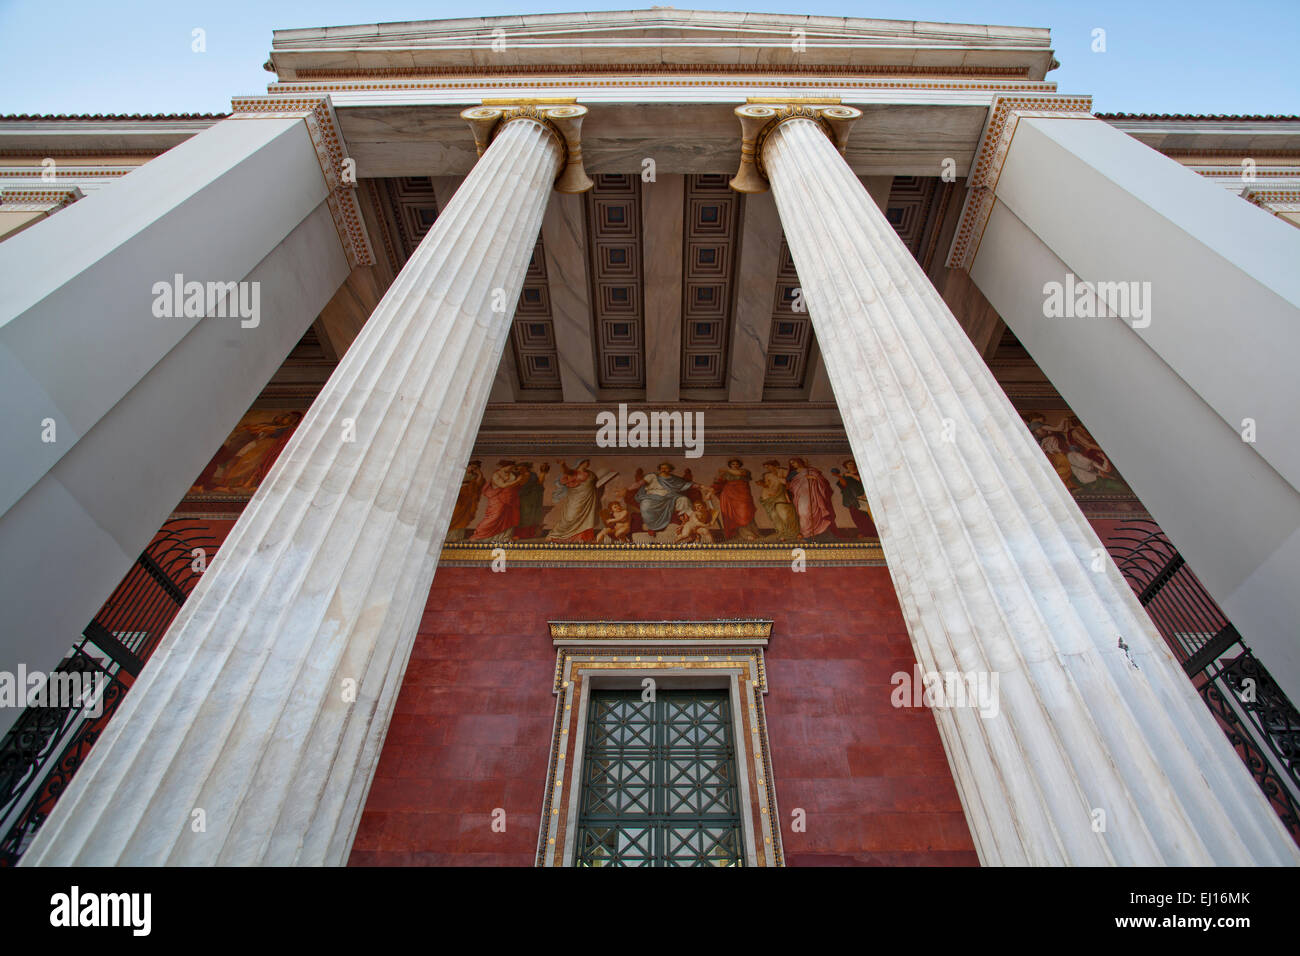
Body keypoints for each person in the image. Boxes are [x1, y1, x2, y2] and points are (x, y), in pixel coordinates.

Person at [470, 460, 528, 541]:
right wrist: (517, 481)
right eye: (510, 467)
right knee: (494, 516)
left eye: (513, 467)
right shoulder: (496, 475)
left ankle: (504, 537)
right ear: (504, 466)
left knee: (508, 517)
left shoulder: (511, 474)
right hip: (497, 498)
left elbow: (518, 485)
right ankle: (480, 534)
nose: (512, 468)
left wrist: (521, 479)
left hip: (510, 499)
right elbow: (502, 485)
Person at [548, 459, 603, 542]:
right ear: (580, 464)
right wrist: (563, 464)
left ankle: (582, 537)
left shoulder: (590, 474)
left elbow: (594, 483)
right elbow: (566, 471)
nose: (587, 465)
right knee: (571, 516)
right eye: (585, 463)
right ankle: (556, 534)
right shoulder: (574, 472)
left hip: (587, 498)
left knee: (586, 517)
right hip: (576, 497)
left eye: (588, 464)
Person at [632, 463, 696, 532]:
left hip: (670, 497)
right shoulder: (652, 476)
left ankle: (686, 523)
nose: (663, 470)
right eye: (662, 468)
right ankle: (652, 526)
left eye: (666, 468)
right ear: (659, 469)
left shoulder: (674, 479)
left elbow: (687, 485)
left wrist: (702, 487)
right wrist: (628, 489)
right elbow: (640, 483)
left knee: (684, 500)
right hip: (652, 497)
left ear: (670, 470)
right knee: (645, 504)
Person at [787, 457, 836, 539]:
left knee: (814, 512)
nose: (793, 465)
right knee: (803, 513)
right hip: (799, 496)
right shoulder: (793, 474)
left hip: (813, 494)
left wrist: (813, 478)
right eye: (792, 464)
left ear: (799, 461)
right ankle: (805, 532)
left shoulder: (811, 471)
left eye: (794, 462)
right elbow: (788, 485)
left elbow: (823, 482)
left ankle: (816, 532)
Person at [711, 459, 760, 540]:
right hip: (729, 495)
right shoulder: (725, 474)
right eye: (733, 464)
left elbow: (743, 474)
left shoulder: (745, 472)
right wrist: (710, 492)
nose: (735, 465)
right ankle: (743, 535)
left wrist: (727, 470)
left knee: (745, 513)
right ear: (730, 465)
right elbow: (717, 484)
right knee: (733, 516)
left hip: (744, 495)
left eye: (737, 464)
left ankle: (750, 532)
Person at [830, 459, 877, 537]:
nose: (850, 465)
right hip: (851, 498)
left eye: (851, 464)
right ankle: (864, 532)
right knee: (856, 515)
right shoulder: (845, 475)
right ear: (846, 466)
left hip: (862, 496)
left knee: (866, 515)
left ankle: (873, 532)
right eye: (848, 464)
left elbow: (863, 481)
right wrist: (839, 476)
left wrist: (851, 475)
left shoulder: (860, 473)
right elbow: (844, 485)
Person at [755, 460, 800, 541]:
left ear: (774, 465)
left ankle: (792, 532)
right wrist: (761, 484)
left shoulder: (783, 471)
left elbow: (789, 482)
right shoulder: (767, 475)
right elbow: (767, 485)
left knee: (784, 513)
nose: (767, 469)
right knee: (774, 515)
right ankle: (781, 533)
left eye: (768, 466)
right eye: (766, 467)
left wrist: (779, 478)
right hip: (769, 497)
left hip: (782, 494)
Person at [447, 460, 485, 541]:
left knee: (464, 517)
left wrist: (479, 474)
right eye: (472, 467)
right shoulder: (459, 473)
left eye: (476, 468)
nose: (473, 469)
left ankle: (456, 536)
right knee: (455, 513)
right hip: (458, 496)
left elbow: (479, 484)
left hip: (467, 498)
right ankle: (447, 535)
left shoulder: (475, 476)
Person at [514, 461, 549, 539]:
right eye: (518, 467)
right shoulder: (518, 476)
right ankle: (519, 534)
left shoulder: (533, 475)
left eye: (520, 467)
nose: (519, 469)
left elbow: (539, 484)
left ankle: (528, 534)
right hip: (521, 497)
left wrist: (543, 472)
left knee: (530, 516)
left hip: (532, 498)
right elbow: (518, 485)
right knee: (521, 516)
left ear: (526, 467)